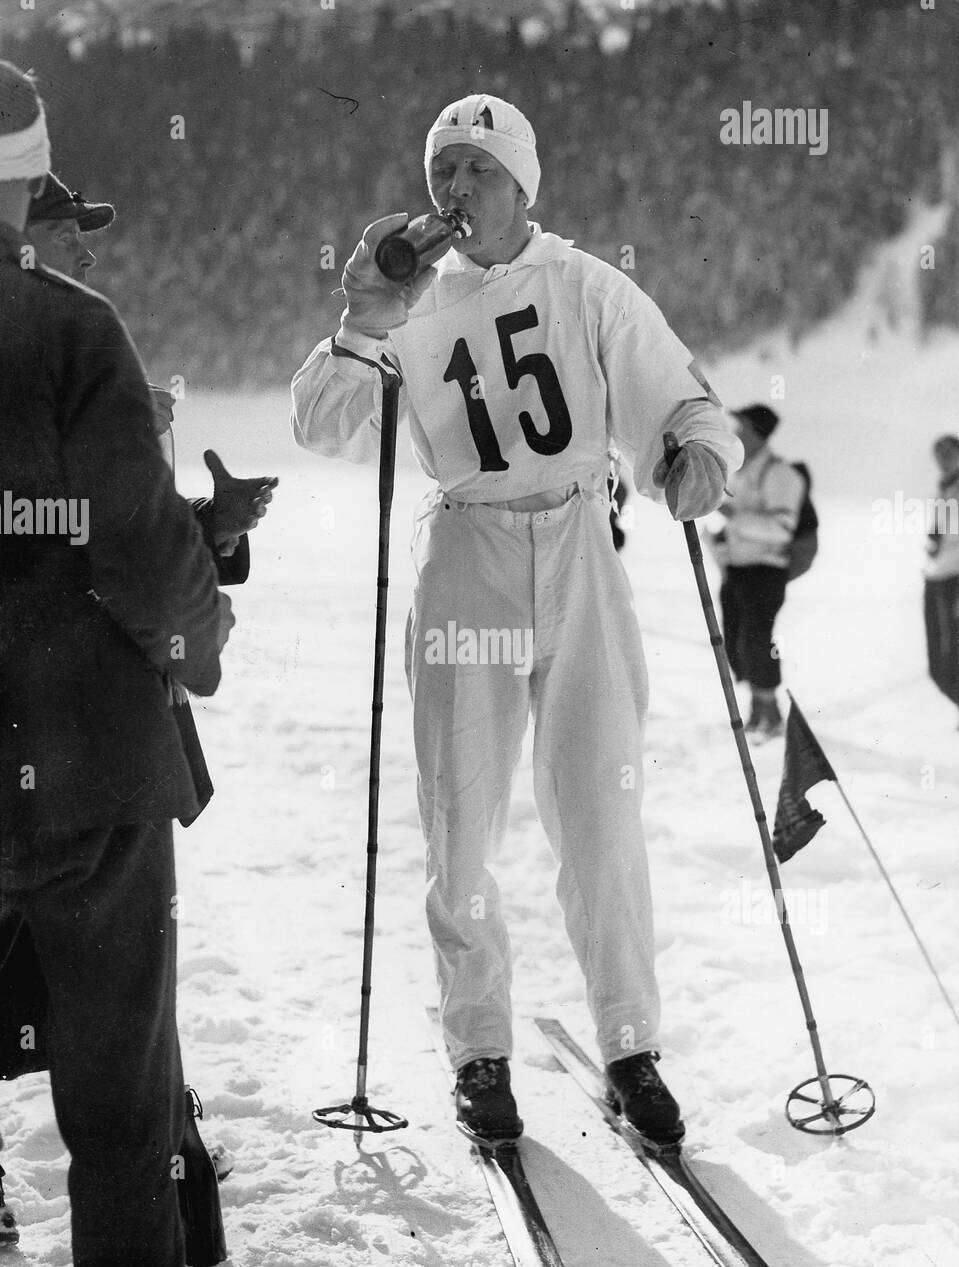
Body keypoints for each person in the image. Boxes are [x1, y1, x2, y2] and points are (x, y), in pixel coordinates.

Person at [292, 94, 742, 1147]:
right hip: (469, 556)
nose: (454, 189)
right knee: (461, 813)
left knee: (599, 808)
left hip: (580, 547)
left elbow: (682, 398)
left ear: (521, 185)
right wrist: (363, 314)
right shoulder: (411, 296)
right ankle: (478, 1047)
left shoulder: (584, 285)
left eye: (478, 170)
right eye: (441, 168)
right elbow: (318, 422)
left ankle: (631, 1044)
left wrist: (695, 451)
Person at [0, 61, 234, 1267]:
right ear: (31, 173)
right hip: (88, 768)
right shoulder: (75, 327)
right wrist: (200, 644)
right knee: (116, 1110)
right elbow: (146, 558)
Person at [705, 404, 805, 741]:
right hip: (737, 569)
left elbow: (783, 528)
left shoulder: (780, 474)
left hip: (766, 571)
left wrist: (735, 518)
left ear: (758, 432)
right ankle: (760, 710)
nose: (737, 433)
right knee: (735, 641)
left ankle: (769, 713)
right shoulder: (744, 471)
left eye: (743, 427)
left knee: (755, 639)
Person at [923, 434, 959, 723]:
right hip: (938, 576)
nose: (942, 458)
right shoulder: (946, 487)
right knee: (939, 666)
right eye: (938, 452)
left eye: (948, 451)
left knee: (951, 658)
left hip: (954, 577)